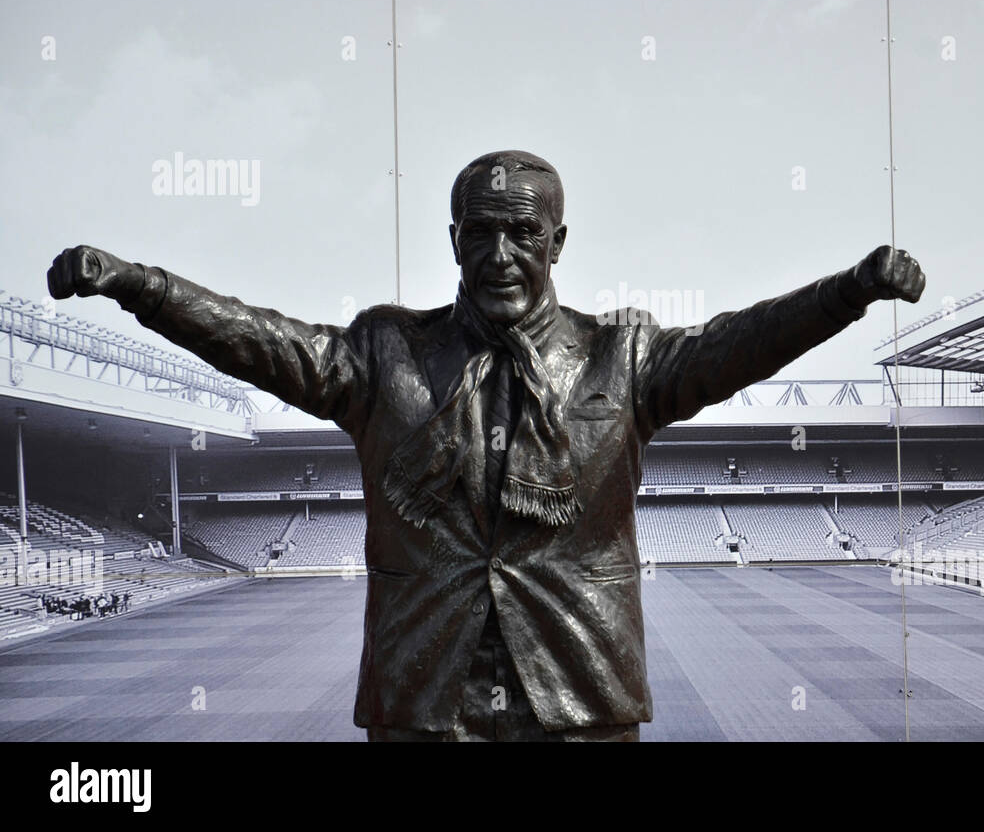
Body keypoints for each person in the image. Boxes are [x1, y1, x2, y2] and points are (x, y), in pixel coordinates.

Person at [47, 149, 926, 741]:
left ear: (559, 242)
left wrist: (849, 291)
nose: (500, 254)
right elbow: (264, 340)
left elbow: (744, 339)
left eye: (523, 233)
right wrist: (142, 286)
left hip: (580, 692)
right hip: (423, 698)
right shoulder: (384, 353)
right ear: (455, 237)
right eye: (480, 230)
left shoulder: (624, 357)